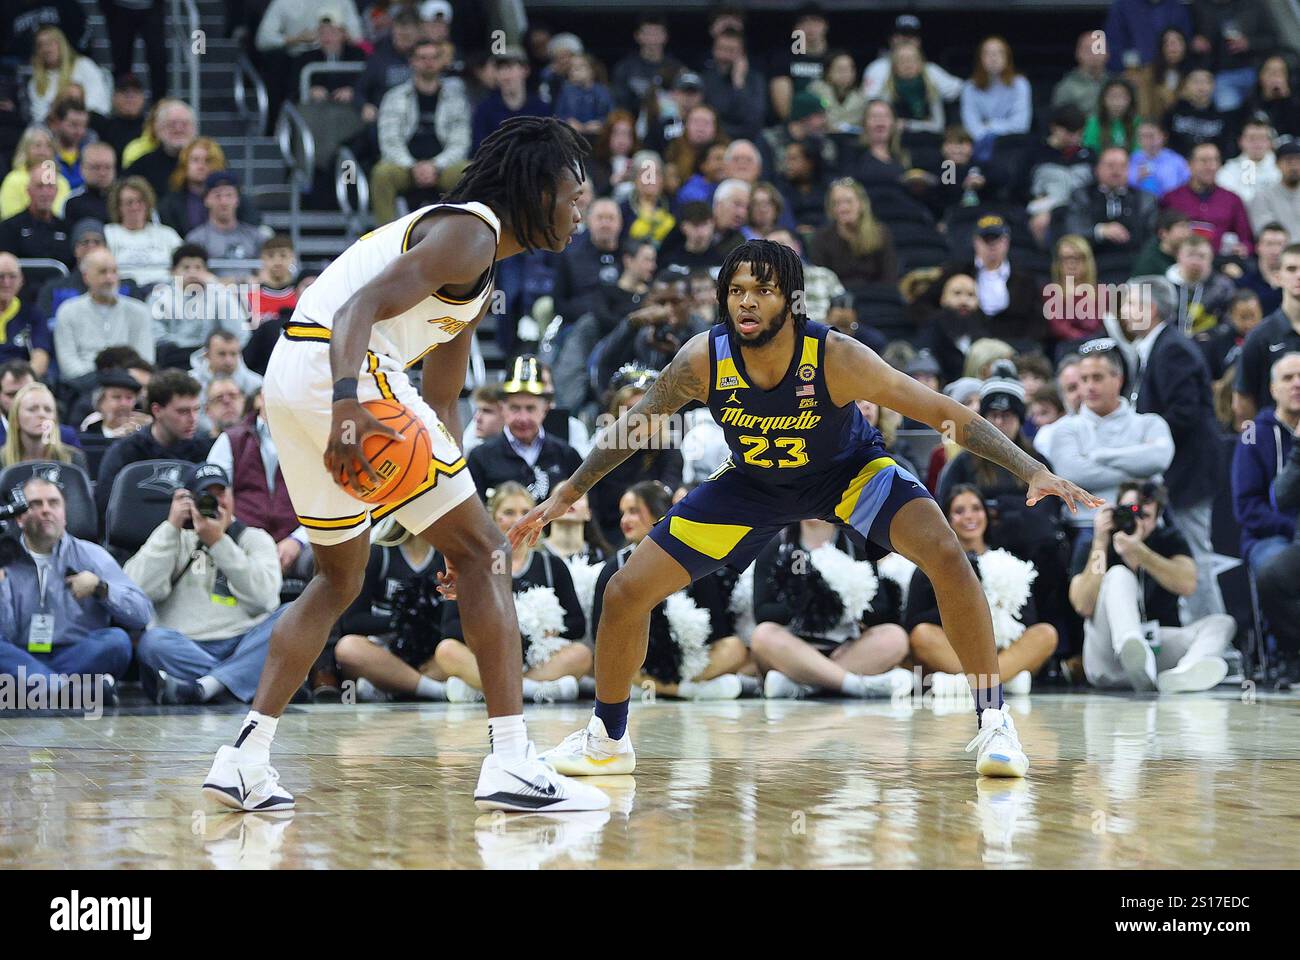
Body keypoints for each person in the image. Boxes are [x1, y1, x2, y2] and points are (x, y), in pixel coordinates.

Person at [513, 239, 1101, 782]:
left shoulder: (836, 356)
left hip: (847, 476)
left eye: (762, 290)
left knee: (946, 554)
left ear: (789, 301)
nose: (746, 302)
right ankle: (608, 738)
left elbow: (943, 412)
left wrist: (1031, 468)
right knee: (623, 590)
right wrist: (569, 488)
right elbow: (634, 426)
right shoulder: (702, 359)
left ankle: (994, 722)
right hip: (752, 485)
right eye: (737, 290)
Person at [198, 116, 607, 813]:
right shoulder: (468, 231)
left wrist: (453, 527)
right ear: (538, 189)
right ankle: (512, 760)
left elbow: (445, 398)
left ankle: (243, 757)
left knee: (338, 578)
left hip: (293, 385)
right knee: (488, 555)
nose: (581, 211)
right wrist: (351, 402)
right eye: (574, 194)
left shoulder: (477, 266)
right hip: (341, 369)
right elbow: (360, 308)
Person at [127, 463, 285, 705]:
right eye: (206, 495)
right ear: (189, 499)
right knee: (153, 643)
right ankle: (233, 682)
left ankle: (203, 687)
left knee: (292, 615)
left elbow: (265, 600)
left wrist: (219, 543)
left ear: (232, 495)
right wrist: (171, 527)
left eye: (221, 493)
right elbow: (136, 591)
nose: (215, 502)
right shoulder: (174, 536)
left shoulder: (254, 538)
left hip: (242, 642)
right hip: (184, 645)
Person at [1122, 275, 1225, 620]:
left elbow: (1184, 414)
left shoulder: (1172, 349)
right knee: (1192, 553)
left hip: (1189, 470)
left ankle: (1216, 643)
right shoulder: (1160, 347)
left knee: (1196, 556)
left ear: (1150, 310)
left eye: (1131, 305)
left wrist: (1145, 440)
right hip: (1182, 468)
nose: (1124, 312)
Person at [588, 480, 749, 700]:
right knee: (609, 662)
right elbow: (602, 636)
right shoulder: (613, 568)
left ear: (658, 514)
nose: (625, 520)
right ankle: (688, 691)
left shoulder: (695, 561)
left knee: (735, 647)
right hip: (639, 662)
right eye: (623, 513)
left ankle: (659, 689)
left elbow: (717, 629)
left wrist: (685, 635)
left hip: (690, 661)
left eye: (634, 511)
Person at [1070, 480, 1234, 692]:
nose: (1135, 520)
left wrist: (1140, 553)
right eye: (1128, 511)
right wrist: (1100, 542)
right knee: (1119, 575)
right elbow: (1083, 604)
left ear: (1158, 519)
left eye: (1144, 516)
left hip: (1154, 653)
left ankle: (1184, 673)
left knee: (1222, 623)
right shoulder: (1096, 545)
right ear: (1116, 509)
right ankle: (1130, 645)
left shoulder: (1168, 540)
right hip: (1106, 656)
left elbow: (1187, 584)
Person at [0, 476, 152, 704]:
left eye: (53, 503)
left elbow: (142, 614)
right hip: (20, 655)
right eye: (35, 504)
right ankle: (68, 692)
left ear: (65, 514)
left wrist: (101, 589)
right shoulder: (4, 557)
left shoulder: (91, 555)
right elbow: (5, 634)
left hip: (75, 655)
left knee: (117, 642)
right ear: (20, 516)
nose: (46, 510)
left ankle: (35, 690)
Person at [435, 482, 590, 704]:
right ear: (492, 518)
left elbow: (577, 624)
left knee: (581, 654)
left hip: (539, 657)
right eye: (509, 512)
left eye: (525, 512)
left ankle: (485, 691)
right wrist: (494, 629)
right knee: (446, 651)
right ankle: (534, 690)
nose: (518, 519)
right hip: (488, 654)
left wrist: (543, 629)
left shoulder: (551, 564)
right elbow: (449, 626)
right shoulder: (472, 564)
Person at [907, 484, 1058, 695]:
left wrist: (996, 610)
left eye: (976, 509)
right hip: (954, 647)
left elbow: (1028, 620)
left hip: (1003, 648)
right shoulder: (931, 564)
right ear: (947, 520)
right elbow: (914, 621)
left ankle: (966, 685)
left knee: (1046, 634)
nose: (969, 516)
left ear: (986, 515)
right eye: (959, 511)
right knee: (921, 635)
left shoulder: (1010, 562)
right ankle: (1001, 682)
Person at [750, 518, 911, 700]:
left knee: (895, 636)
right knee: (762, 635)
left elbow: (880, 607)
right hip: (794, 648)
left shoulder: (855, 542)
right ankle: (855, 686)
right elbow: (762, 612)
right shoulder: (777, 544)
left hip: (846, 648)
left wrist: (846, 602)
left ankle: (806, 687)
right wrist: (806, 602)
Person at [1040, 342, 1174, 539]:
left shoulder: (1150, 423)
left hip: (1146, 525)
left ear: (1118, 379)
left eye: (1097, 378)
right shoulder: (1064, 429)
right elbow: (1072, 474)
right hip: (1086, 527)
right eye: (1084, 379)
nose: (1089, 387)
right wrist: (1142, 475)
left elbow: (1159, 459)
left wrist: (1098, 456)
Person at [370, 39, 471, 227]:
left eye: (434, 57)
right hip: (405, 166)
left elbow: (460, 142)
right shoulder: (394, 96)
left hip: (443, 166)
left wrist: (435, 166)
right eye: (423, 58)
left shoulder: (456, 99)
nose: (429, 62)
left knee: (469, 173)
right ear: (412, 62)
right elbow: (389, 141)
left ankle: (462, 238)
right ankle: (387, 241)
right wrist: (413, 166)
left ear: (442, 61)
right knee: (381, 174)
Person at [94, 369, 213, 522]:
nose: (193, 419)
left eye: (196, 409)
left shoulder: (205, 450)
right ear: (157, 410)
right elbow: (106, 511)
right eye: (183, 411)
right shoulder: (124, 453)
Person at [1231, 351, 1300, 573]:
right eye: (1288, 378)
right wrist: (1293, 528)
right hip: (1269, 537)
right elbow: (1247, 507)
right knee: (1280, 568)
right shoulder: (1253, 434)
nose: (1297, 384)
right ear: (1273, 389)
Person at [51, 248, 154, 384]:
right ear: (86, 277)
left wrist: (122, 381)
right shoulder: (68, 310)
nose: (110, 278)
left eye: (114, 271)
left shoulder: (139, 311)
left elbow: (145, 360)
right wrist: (98, 381)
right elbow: (68, 364)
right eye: (102, 272)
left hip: (130, 385)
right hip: (83, 385)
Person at [1234, 243, 1300, 422]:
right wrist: (1256, 444)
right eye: (1291, 269)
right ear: (1278, 277)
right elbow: (1243, 398)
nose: (1298, 275)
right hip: (1273, 443)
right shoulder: (1260, 336)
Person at [1160, 142, 1254, 257]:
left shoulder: (1232, 200)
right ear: (1189, 165)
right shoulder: (1171, 198)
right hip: (1177, 261)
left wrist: (1243, 249)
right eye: (1204, 161)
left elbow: (1247, 240)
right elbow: (1160, 236)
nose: (1211, 167)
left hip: (1221, 263)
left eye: (1215, 161)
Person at [1063, 146, 1156, 256]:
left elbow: (1151, 236)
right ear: (1097, 169)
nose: (1117, 171)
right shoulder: (1081, 195)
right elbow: (1073, 229)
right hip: (1091, 261)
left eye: (1123, 166)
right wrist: (1101, 231)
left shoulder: (1145, 199)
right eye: (1110, 166)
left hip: (1134, 262)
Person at [809, 178, 897, 294]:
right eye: (836, 203)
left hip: (876, 298)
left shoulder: (880, 233)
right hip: (838, 301)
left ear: (861, 204)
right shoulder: (822, 237)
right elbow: (821, 280)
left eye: (848, 202)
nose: (843, 208)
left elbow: (889, 277)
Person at [960, 36, 1032, 164]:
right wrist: (988, 135)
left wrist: (990, 126)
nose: (994, 58)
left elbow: (1021, 125)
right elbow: (970, 124)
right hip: (980, 144)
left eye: (999, 53)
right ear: (980, 59)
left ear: (1007, 58)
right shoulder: (969, 87)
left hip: (1011, 144)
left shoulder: (1021, 84)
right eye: (988, 53)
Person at [104, 176, 182, 287]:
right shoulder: (109, 233)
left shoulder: (167, 234)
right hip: (124, 292)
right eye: (129, 202)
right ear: (118, 207)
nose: (135, 207)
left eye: (140, 201)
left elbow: (185, 262)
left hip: (164, 291)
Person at [470, 48, 550, 155]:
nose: (505, 75)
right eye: (500, 69)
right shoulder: (484, 110)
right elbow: (480, 147)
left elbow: (548, 146)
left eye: (510, 68)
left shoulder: (541, 108)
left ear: (525, 70)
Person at [25, 27, 109, 123]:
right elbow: (39, 116)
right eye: (40, 45)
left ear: (62, 44)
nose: (46, 49)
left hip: (90, 123)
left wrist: (75, 119)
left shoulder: (84, 65)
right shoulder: (35, 82)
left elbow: (98, 101)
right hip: (55, 130)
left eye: (50, 43)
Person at [0, 160, 73, 268]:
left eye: (50, 186)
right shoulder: (9, 228)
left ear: (56, 191)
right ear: (28, 191)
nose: (45, 192)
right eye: (39, 186)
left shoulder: (67, 229)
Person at [184, 172, 265, 268]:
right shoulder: (196, 239)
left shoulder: (256, 237)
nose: (223, 202)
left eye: (229, 195)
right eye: (217, 196)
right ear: (206, 200)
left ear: (237, 200)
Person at [700, 27, 766, 142]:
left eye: (731, 50)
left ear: (742, 54)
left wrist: (738, 83)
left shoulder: (755, 80)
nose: (724, 56)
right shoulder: (705, 79)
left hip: (748, 141)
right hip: (713, 142)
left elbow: (754, 121)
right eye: (720, 49)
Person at [0, 381, 86, 469]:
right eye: (32, 409)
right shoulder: (1, 460)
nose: (42, 414)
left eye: (48, 409)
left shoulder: (73, 459)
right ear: (16, 418)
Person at [1163, 234, 1236, 335]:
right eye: (1190, 255)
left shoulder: (1223, 287)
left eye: (1202, 256)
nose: (1195, 262)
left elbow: (1230, 323)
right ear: (1178, 256)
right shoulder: (1165, 286)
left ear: (1211, 258)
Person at [0, 252, 51, 376]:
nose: (6, 283)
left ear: (21, 280)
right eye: (0, 276)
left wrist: (24, 380)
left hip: (20, 382)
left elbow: (41, 357)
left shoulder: (34, 314)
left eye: (12, 276)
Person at [1216, 118, 1278, 206]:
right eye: (1251, 138)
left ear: (1270, 142)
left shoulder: (1281, 168)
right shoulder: (1228, 170)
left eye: (1262, 138)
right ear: (1241, 141)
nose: (1257, 143)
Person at [1051, 31, 1112, 116]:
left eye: (1099, 49)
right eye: (1088, 50)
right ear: (1077, 53)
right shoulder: (1066, 87)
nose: (1094, 54)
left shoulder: (1116, 84)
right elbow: (1062, 122)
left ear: (1107, 53)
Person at [1249, 138, 1300, 240]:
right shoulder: (1263, 196)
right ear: (1277, 164)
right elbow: (1264, 232)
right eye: (1289, 161)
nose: (1294, 167)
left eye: (1298, 161)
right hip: (1279, 253)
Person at [78, 367, 149, 438]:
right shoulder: (89, 431)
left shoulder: (142, 433)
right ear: (100, 403)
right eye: (116, 397)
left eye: (129, 398)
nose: (124, 404)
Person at [1128, 118, 1189, 198]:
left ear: (1163, 136)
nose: (1147, 141)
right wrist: (1137, 178)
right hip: (1138, 205)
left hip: (1170, 205)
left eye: (1151, 136)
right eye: (1143, 136)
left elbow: (1188, 184)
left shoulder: (1177, 161)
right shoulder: (1132, 159)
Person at [61, 140, 114, 226]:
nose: (102, 173)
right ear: (82, 169)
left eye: (107, 167)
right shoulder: (72, 203)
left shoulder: (123, 201)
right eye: (96, 167)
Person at [1083, 78, 1141, 153]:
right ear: (1103, 99)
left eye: (1122, 96)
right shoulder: (1094, 123)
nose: (1117, 102)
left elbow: (1140, 153)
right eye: (1113, 96)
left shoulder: (1137, 122)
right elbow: (1090, 151)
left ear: (1130, 99)